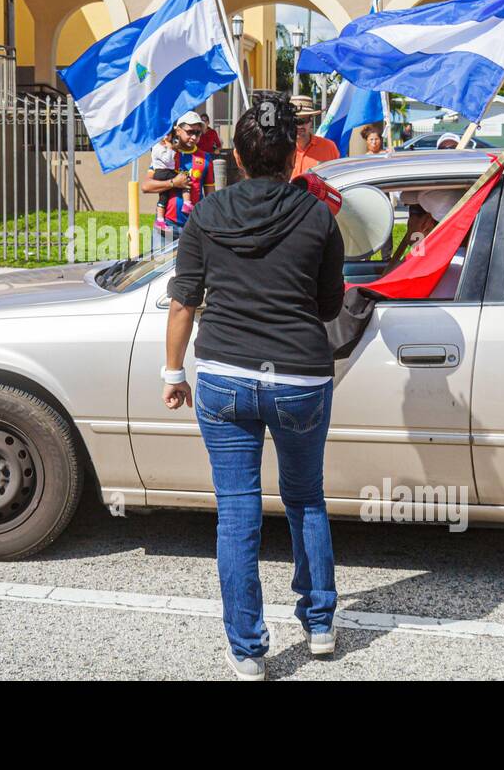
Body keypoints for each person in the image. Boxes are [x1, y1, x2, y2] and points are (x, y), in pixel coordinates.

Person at [163, 93, 345, 680]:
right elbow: (328, 304)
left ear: (238, 155)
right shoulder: (317, 216)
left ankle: (247, 651)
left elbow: (183, 302)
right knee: (306, 499)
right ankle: (318, 624)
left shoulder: (207, 216)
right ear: (293, 153)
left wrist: (173, 373)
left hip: (224, 377)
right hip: (299, 377)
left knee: (237, 512)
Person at [142, 111, 214, 240]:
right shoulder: (166, 155)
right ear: (178, 130)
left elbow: (211, 197)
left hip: (195, 227)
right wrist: (174, 183)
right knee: (160, 261)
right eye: (190, 132)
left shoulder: (206, 158)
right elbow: (146, 186)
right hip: (167, 227)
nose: (193, 137)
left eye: (197, 133)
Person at [290, 94, 340, 173]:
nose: (299, 126)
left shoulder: (329, 147)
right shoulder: (280, 149)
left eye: (303, 120)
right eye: (295, 121)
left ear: (311, 121)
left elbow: (337, 177)